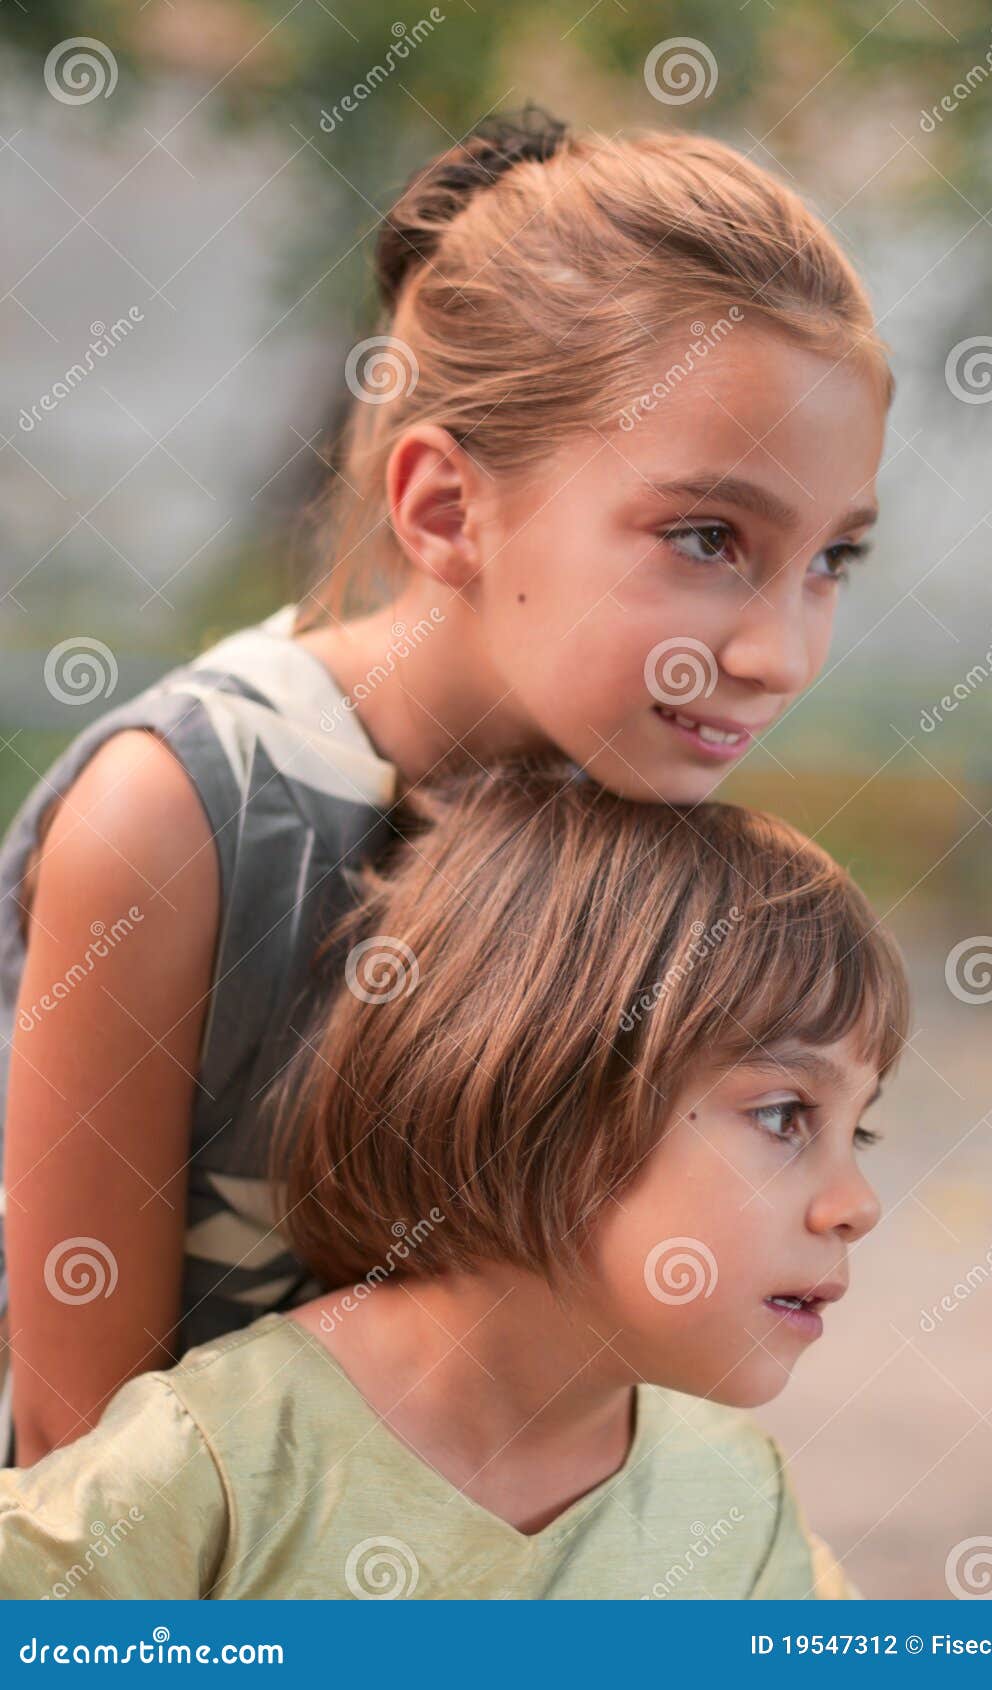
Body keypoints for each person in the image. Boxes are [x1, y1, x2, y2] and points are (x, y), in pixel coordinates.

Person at [0, 104, 892, 1465]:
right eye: (707, 536)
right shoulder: (179, 821)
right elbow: (83, 1471)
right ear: (442, 508)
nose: (780, 654)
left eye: (832, 558)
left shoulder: (637, 803)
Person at [0, 762, 908, 1599]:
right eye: (783, 1115)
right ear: (538, 1091)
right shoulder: (214, 1467)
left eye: (858, 1130)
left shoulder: (740, 1505)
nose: (856, 1206)